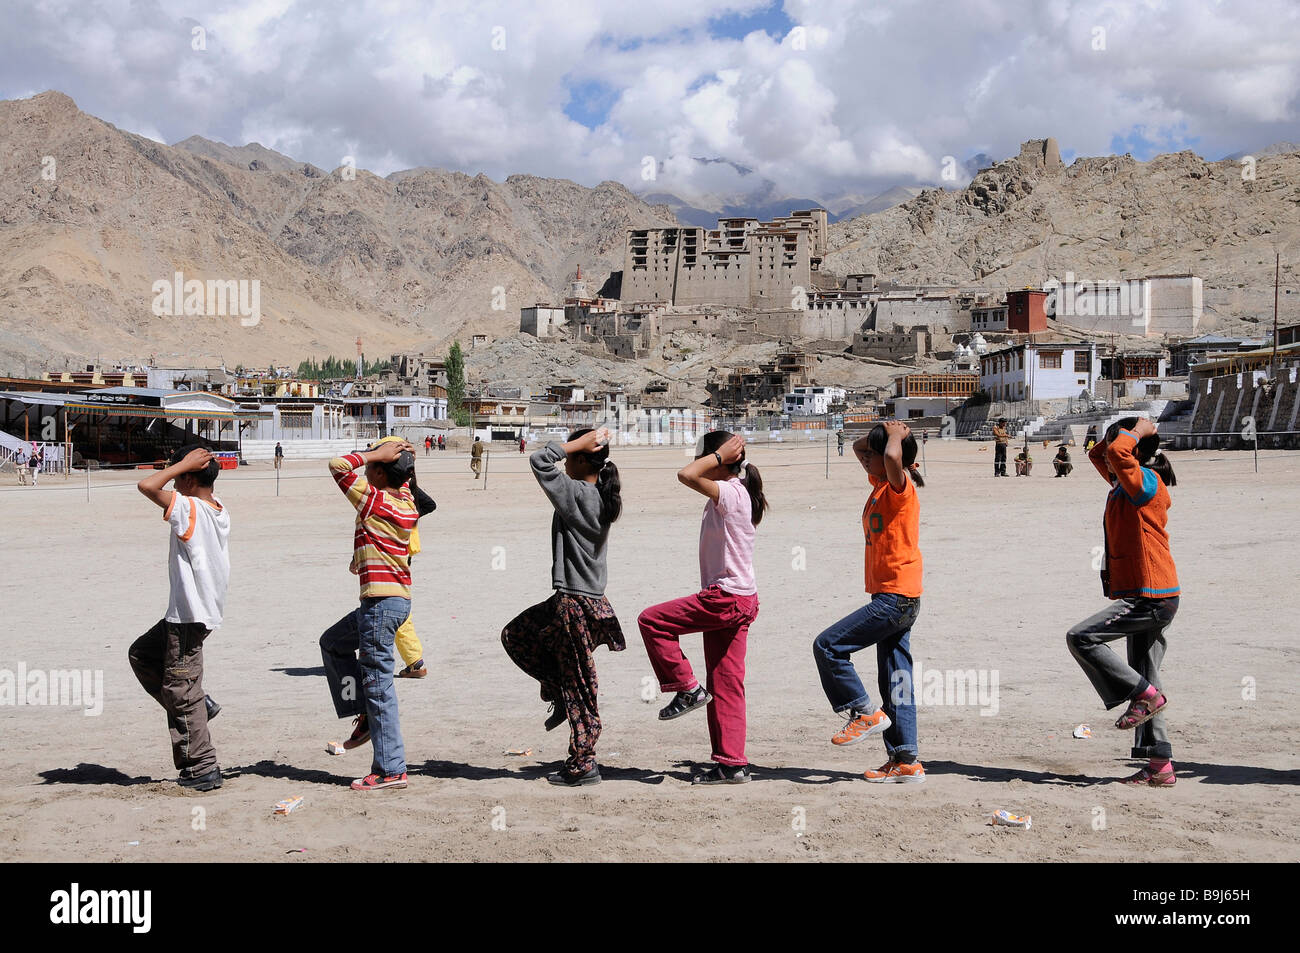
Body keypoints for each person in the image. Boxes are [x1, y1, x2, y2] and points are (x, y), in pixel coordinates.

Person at [638, 431, 767, 785]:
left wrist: (720, 455)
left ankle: (685, 687)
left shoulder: (730, 492)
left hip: (726, 597)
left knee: (652, 621)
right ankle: (732, 765)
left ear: (720, 461)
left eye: (706, 458)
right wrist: (721, 458)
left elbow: (686, 474)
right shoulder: (733, 494)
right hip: (740, 598)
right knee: (726, 683)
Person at [501, 427, 625, 786]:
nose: (566, 459)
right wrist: (579, 447)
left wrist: (571, 445)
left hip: (575, 603)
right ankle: (557, 691)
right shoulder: (596, 494)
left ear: (584, 458)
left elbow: (539, 461)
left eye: (573, 455)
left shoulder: (580, 494)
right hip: (578, 599)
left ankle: (583, 762)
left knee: (581, 686)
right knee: (516, 635)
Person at [1067, 417, 1180, 787]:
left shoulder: (1144, 482)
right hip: (1153, 594)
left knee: (1081, 638)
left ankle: (1144, 697)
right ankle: (1160, 766)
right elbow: (1101, 454)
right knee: (1150, 674)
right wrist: (1120, 434)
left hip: (1150, 595)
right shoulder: (1123, 483)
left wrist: (1140, 429)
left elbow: (1115, 451)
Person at [812, 422, 927, 783]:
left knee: (827, 646)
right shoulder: (880, 485)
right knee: (897, 680)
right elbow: (866, 447)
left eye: (873, 456)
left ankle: (863, 712)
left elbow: (892, 454)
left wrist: (896, 435)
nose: (866, 459)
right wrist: (884, 430)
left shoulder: (899, 488)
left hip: (896, 598)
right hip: (896, 596)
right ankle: (905, 761)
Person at [129, 446, 230, 792]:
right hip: (196, 610)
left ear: (188, 478)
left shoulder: (191, 508)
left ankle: (201, 767)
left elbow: (146, 486)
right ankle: (201, 704)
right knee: (142, 655)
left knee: (180, 688)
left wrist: (180, 465)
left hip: (190, 614)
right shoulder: (218, 508)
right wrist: (186, 468)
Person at [319, 439, 418, 791]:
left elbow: (337, 465)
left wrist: (376, 454)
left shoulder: (374, 500)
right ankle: (361, 714)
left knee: (380, 686)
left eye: (371, 467)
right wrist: (402, 459)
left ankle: (391, 769)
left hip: (380, 603)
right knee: (332, 643)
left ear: (378, 472)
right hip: (391, 601)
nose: (365, 470)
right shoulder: (406, 502)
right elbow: (403, 479)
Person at [395, 463, 437, 679]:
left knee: (392, 608)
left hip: (393, 555)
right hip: (404, 554)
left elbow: (430, 505)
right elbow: (430, 505)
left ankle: (414, 661)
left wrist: (406, 518)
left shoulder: (393, 489)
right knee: (396, 607)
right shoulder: (406, 487)